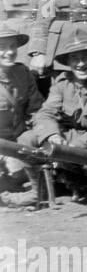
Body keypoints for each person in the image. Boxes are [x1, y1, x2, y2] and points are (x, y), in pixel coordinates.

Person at [23, 27, 87, 150]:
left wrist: (71, 148)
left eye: (86, 57)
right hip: (69, 136)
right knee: (27, 139)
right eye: (74, 58)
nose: (80, 64)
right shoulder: (62, 83)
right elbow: (46, 113)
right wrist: (53, 135)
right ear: (68, 62)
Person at [0, 24, 42, 192]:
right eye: (2, 48)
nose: (10, 52)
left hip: (17, 143)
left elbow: (36, 110)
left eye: (12, 46)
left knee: (20, 174)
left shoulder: (22, 73)